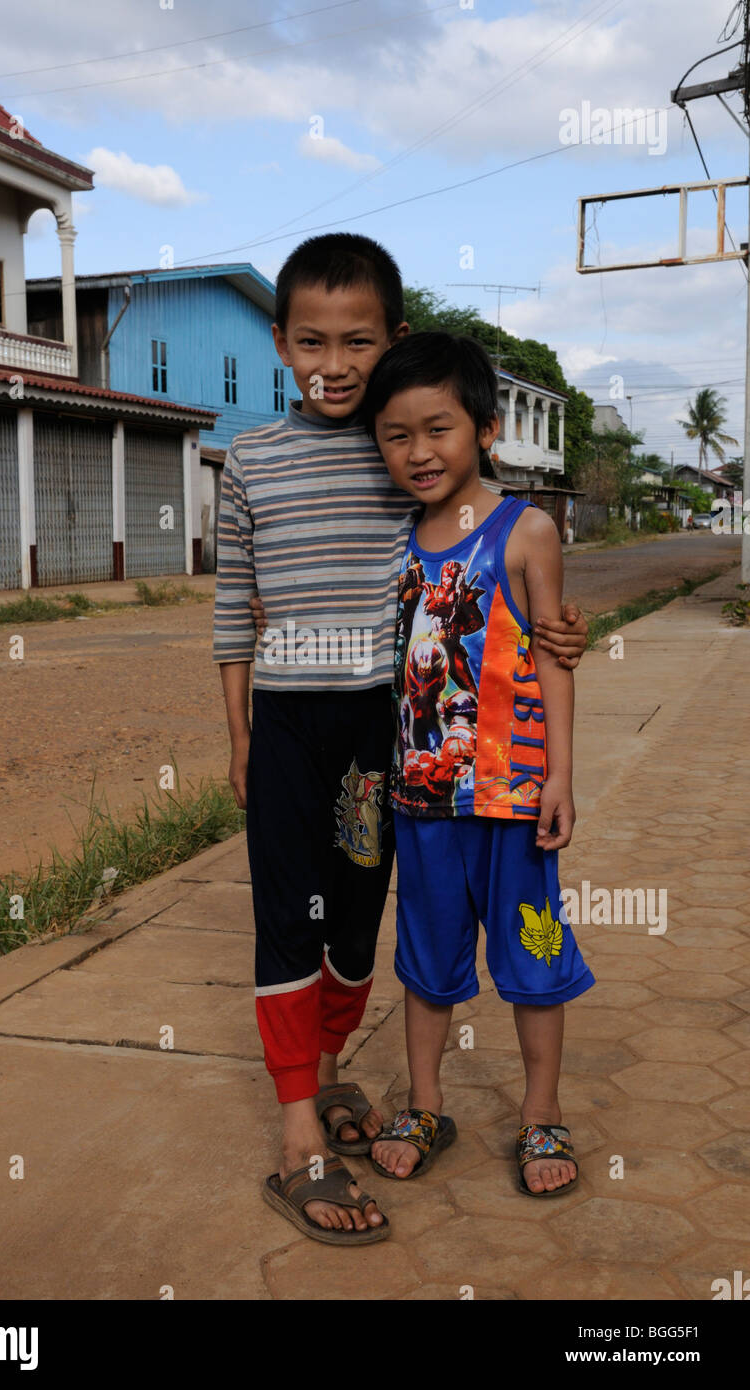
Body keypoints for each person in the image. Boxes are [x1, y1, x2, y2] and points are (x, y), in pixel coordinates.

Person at [213, 234, 589, 1244]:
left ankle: (331, 1075)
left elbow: (492, 582)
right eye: (308, 341)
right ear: (281, 342)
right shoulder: (250, 458)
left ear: (393, 340)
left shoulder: (405, 460)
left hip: (384, 744)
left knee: (352, 916)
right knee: (288, 915)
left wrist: (559, 627)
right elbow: (230, 605)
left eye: (357, 340)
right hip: (291, 728)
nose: (331, 363)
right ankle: (299, 1133)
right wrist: (240, 731)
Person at [360, 331, 595, 1197]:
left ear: (487, 432)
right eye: (395, 434)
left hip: (512, 796)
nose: (418, 452)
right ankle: (425, 1104)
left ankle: (541, 1113)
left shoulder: (527, 530)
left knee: (533, 958)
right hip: (421, 803)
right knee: (425, 959)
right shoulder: (392, 545)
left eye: (438, 429)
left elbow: (552, 658)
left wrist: (560, 778)